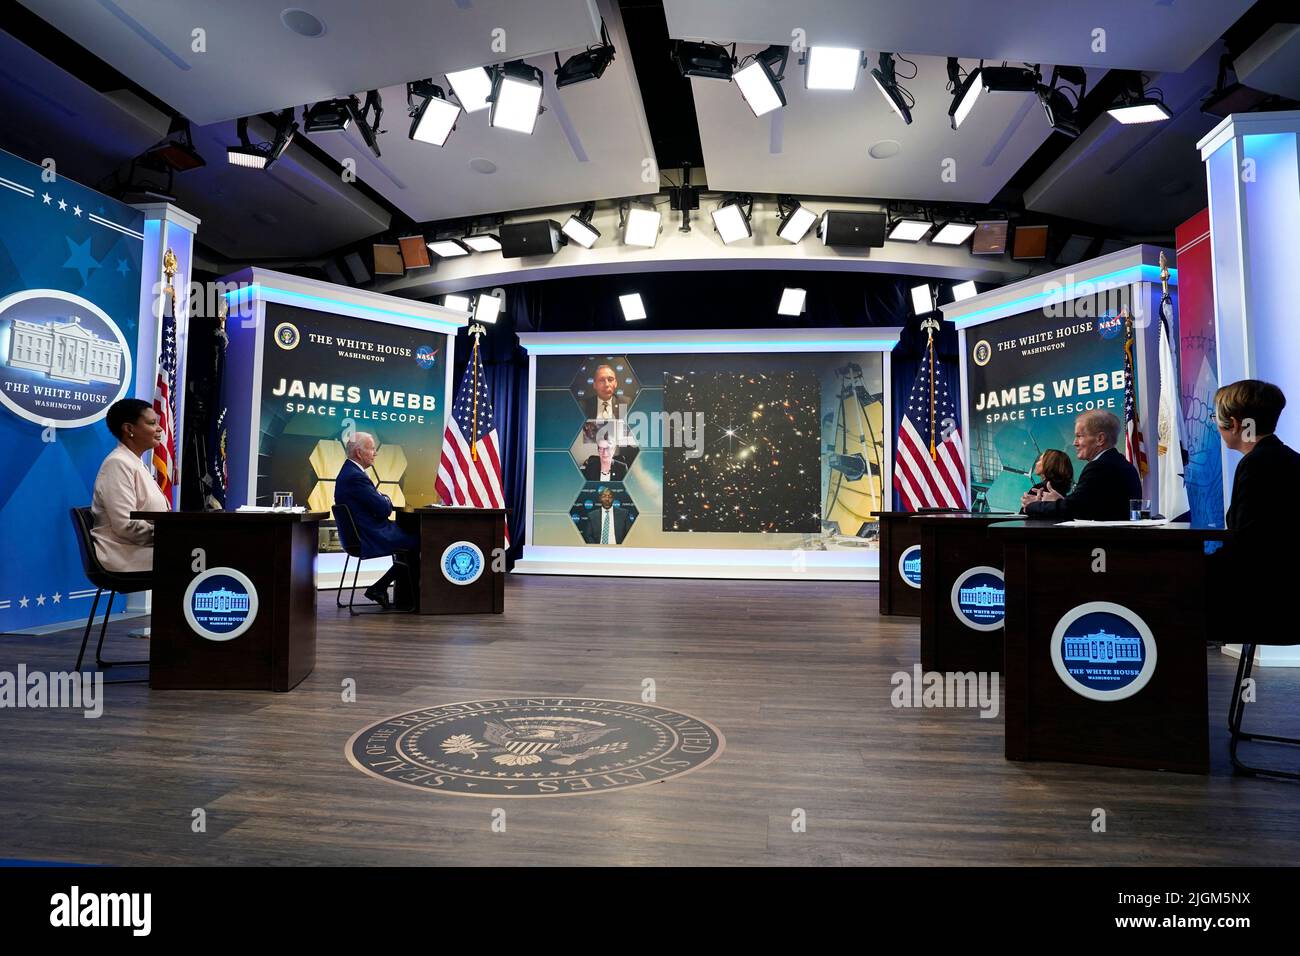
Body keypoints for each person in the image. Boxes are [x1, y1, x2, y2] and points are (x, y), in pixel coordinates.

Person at [1210, 379, 1300, 592]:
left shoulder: (1255, 464)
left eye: (1216, 418)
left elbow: (1248, 541)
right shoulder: (1291, 458)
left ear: (1236, 424)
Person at [334, 431, 418, 609]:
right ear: (359, 453)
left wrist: (382, 498)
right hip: (370, 535)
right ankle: (399, 595)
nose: (375, 453)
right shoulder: (355, 476)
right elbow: (383, 508)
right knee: (420, 542)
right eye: (372, 449)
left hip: (365, 532)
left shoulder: (349, 472)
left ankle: (380, 588)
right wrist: (386, 499)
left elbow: (377, 503)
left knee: (412, 541)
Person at [91, 398, 171, 572]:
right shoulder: (117, 463)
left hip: (142, 548)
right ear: (129, 429)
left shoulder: (134, 462)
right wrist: (169, 535)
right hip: (122, 554)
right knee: (196, 557)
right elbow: (125, 526)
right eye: (152, 423)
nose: (160, 429)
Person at [1022, 410, 1141, 520]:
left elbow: (1073, 509)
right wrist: (1060, 501)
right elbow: (1089, 507)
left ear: (1100, 439)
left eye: (1079, 436)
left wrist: (1033, 505)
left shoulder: (1100, 467)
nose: (1074, 443)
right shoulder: (1120, 463)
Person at [1020, 449, 1074, 514]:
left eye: (1040, 460)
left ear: (1049, 464)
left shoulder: (1040, 489)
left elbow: (1023, 513)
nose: (1036, 463)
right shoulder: (1062, 490)